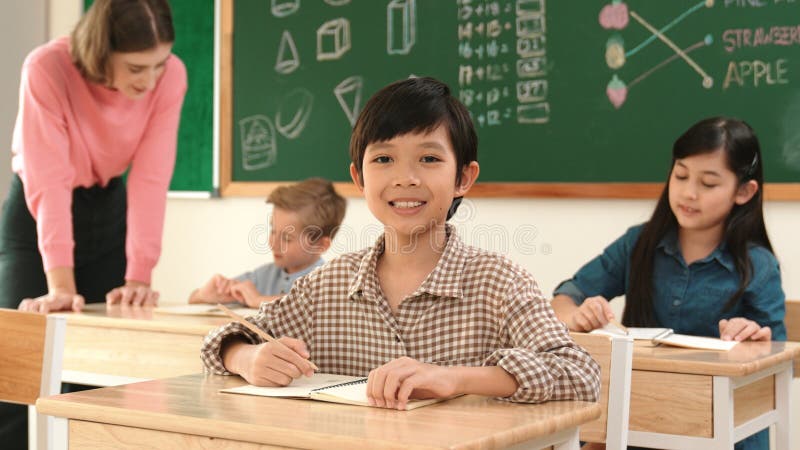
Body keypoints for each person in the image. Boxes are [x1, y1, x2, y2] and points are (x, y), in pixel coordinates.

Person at [201, 77, 600, 410]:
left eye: (428, 159)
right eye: (384, 160)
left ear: (463, 177)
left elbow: (580, 374)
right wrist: (248, 358)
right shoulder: (327, 287)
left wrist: (455, 379)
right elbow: (220, 342)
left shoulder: (499, 283)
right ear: (359, 178)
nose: (405, 178)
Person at [551, 117, 785, 450]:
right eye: (681, 175)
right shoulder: (638, 243)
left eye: (708, 183)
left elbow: (778, 357)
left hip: (726, 433)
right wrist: (576, 316)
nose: (689, 192)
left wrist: (753, 336)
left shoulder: (758, 265)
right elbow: (563, 298)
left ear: (744, 191)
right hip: (641, 422)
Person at [0, 0, 187, 317]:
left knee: (106, 342)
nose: (151, 81)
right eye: (136, 68)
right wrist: (60, 287)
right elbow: (49, 181)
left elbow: (149, 180)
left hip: (107, 207)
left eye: (160, 64)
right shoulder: (46, 69)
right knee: (20, 345)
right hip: (38, 213)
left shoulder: (172, 77)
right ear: (101, 53)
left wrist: (139, 279)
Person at [188, 178, 346, 308]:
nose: (273, 244)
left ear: (321, 245)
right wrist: (203, 295)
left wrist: (259, 300)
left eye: (286, 238)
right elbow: (193, 301)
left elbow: (314, 304)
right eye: (273, 231)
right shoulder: (261, 277)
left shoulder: (328, 282)